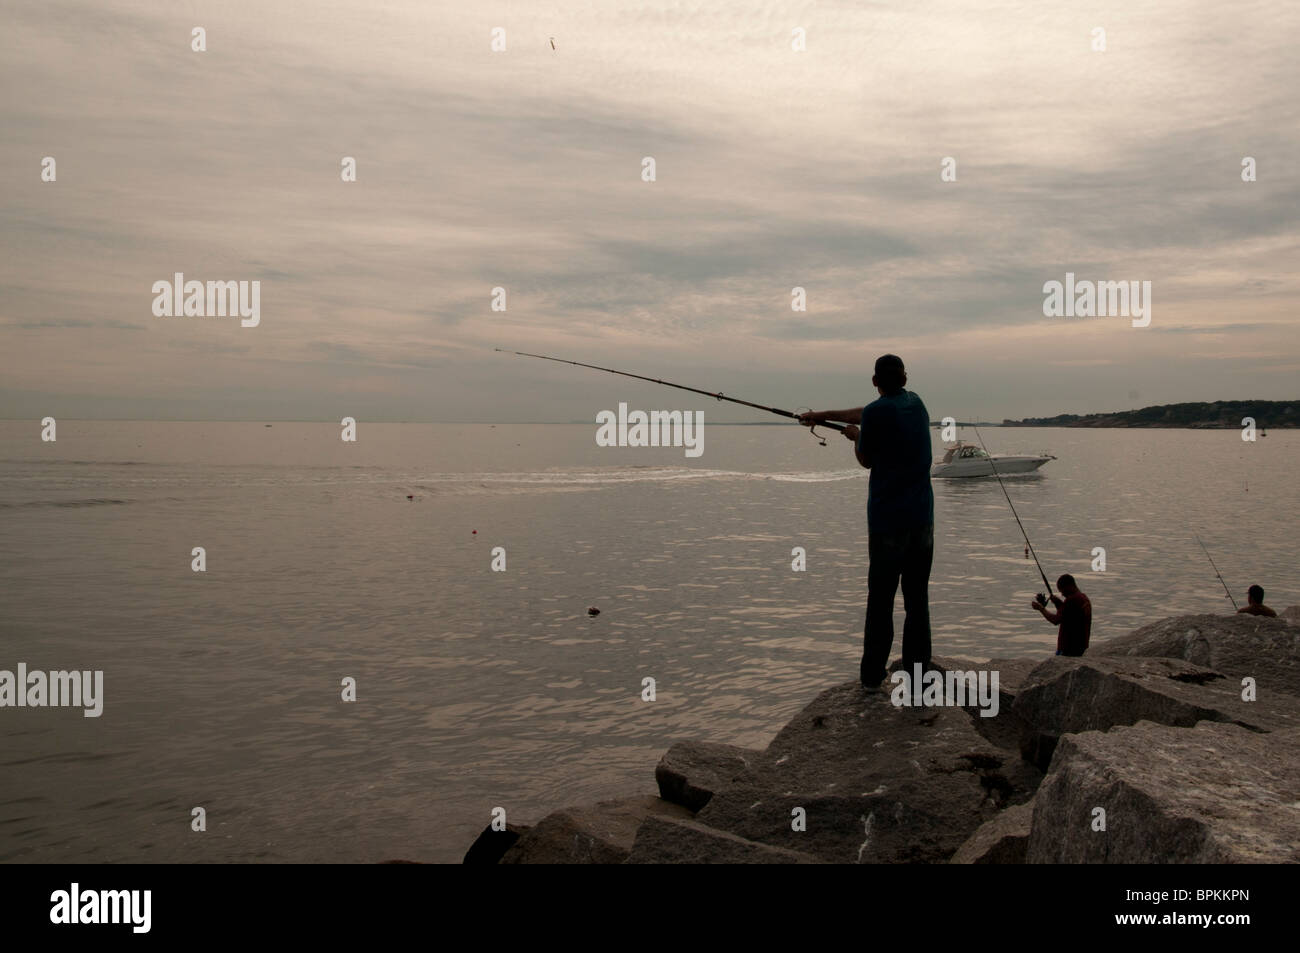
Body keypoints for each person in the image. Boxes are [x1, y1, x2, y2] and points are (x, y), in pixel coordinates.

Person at [799, 354, 934, 691]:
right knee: (917, 601)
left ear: (875, 382)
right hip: (922, 523)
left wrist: (855, 438)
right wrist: (823, 416)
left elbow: (866, 460)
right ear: (905, 379)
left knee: (881, 601)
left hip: (888, 523)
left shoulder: (877, 413)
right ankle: (918, 678)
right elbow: (868, 413)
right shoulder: (916, 403)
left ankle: (872, 677)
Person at [1031, 574, 1092, 656]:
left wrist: (1041, 608)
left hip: (1068, 650)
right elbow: (1069, 616)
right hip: (1081, 648)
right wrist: (1058, 603)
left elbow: (1056, 620)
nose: (1062, 594)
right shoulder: (1083, 598)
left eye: (1062, 591)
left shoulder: (1071, 600)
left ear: (1069, 586)